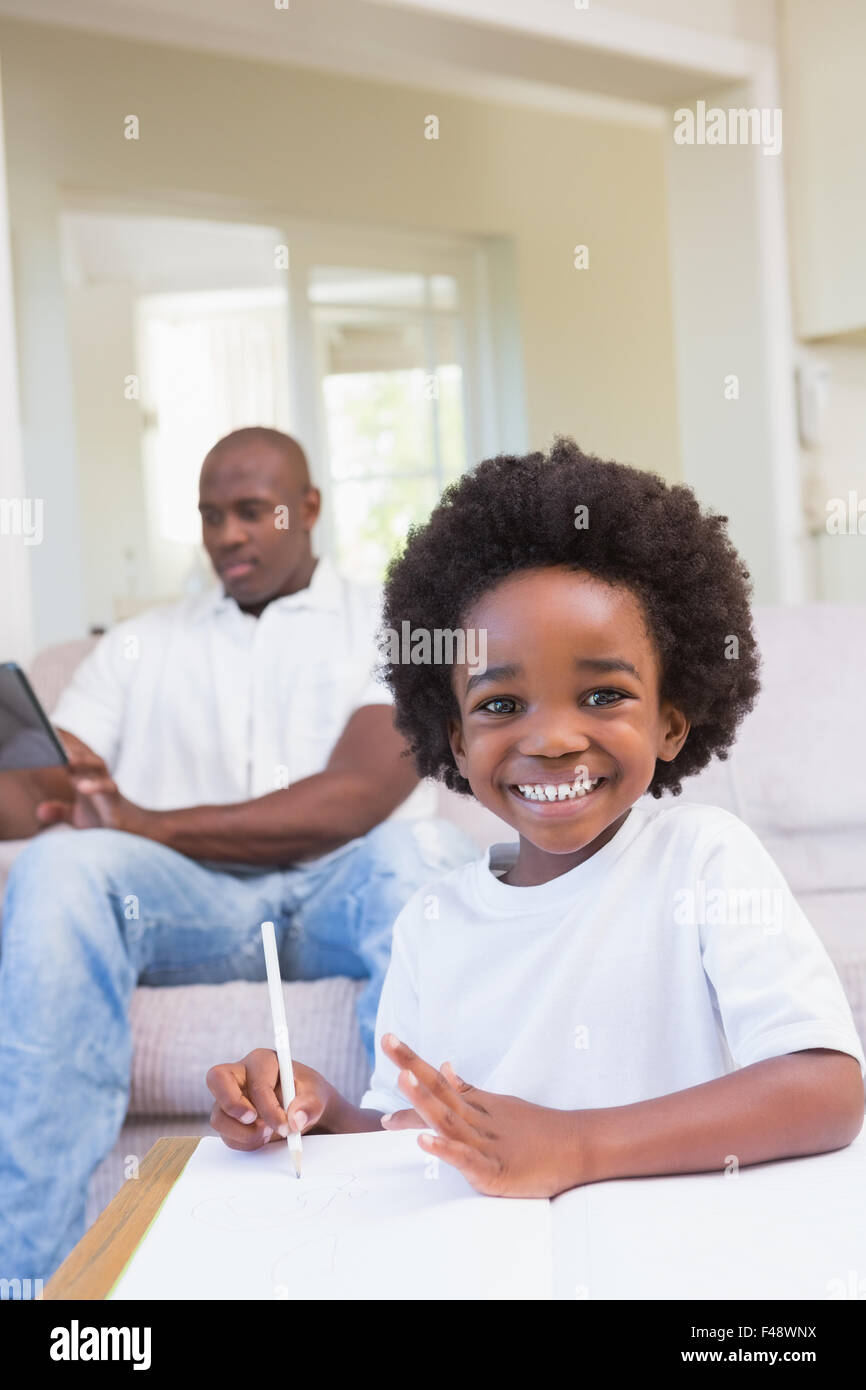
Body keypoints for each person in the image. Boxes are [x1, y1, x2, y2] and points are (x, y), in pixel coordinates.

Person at [208, 437, 865, 1200]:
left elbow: (825, 1091)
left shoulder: (705, 860)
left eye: (602, 695)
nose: (551, 738)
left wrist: (576, 1144)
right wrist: (321, 1115)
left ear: (671, 722)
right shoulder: (432, 919)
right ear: (456, 738)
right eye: (500, 705)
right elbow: (423, 1137)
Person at [0, 426, 475, 1282]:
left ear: (311, 509)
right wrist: (28, 766)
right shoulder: (143, 643)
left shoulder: (397, 622)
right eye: (210, 516)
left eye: (251, 512)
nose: (227, 535)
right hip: (193, 905)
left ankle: (425, 1236)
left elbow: (357, 796)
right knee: (57, 869)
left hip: (348, 881)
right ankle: (32, 1277)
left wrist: (147, 823)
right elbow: (38, 804)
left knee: (421, 852)